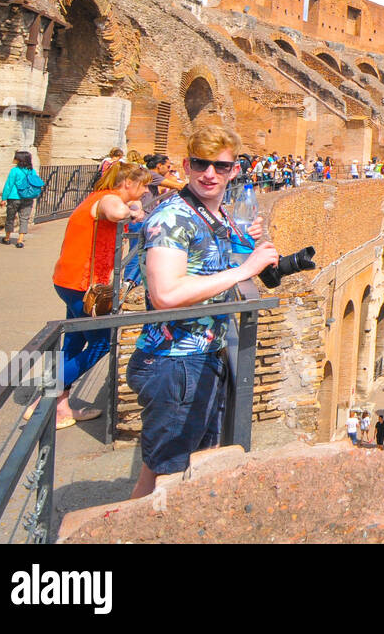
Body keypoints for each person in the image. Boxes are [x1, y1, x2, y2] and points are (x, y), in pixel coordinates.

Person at [126, 126, 279, 498]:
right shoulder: (173, 218)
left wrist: (250, 240)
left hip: (201, 356)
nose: (210, 173)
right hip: (174, 362)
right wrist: (245, 271)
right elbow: (165, 293)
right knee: (167, 481)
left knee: (174, 468)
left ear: (234, 170)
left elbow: (215, 265)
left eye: (220, 166)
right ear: (186, 165)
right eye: (200, 164)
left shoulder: (215, 213)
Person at [48, 162, 150, 429]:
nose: (147, 190)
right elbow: (116, 212)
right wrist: (134, 211)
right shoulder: (107, 198)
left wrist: (135, 208)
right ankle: (46, 400)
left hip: (71, 281)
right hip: (81, 284)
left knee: (74, 341)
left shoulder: (97, 197)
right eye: (144, 185)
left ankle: (60, 408)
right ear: (128, 183)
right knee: (101, 343)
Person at [0, 150, 45, 248]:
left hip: (14, 197)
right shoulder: (32, 171)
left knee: (10, 217)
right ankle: (20, 240)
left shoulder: (14, 171)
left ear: (19, 160)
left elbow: (9, 185)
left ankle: (7, 238)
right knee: (24, 218)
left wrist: (4, 198)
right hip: (28, 197)